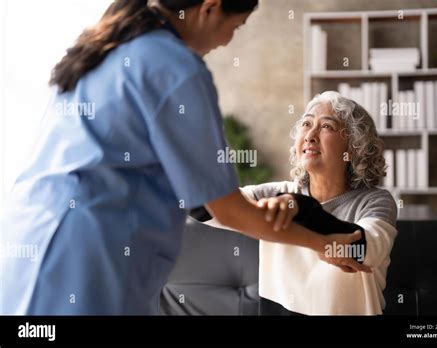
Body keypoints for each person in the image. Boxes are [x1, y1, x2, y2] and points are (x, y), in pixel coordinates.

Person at [0, 1, 369, 315]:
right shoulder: (175, 67)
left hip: (31, 244)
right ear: (210, 7)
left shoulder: (107, 45)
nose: (227, 41)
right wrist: (321, 244)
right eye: (236, 27)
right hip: (84, 258)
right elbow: (228, 210)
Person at [239, 91, 398, 315]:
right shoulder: (277, 193)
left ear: (353, 147)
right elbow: (202, 209)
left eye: (326, 127)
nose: (310, 135)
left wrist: (300, 208)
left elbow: (361, 247)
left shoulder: (374, 201)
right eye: (306, 123)